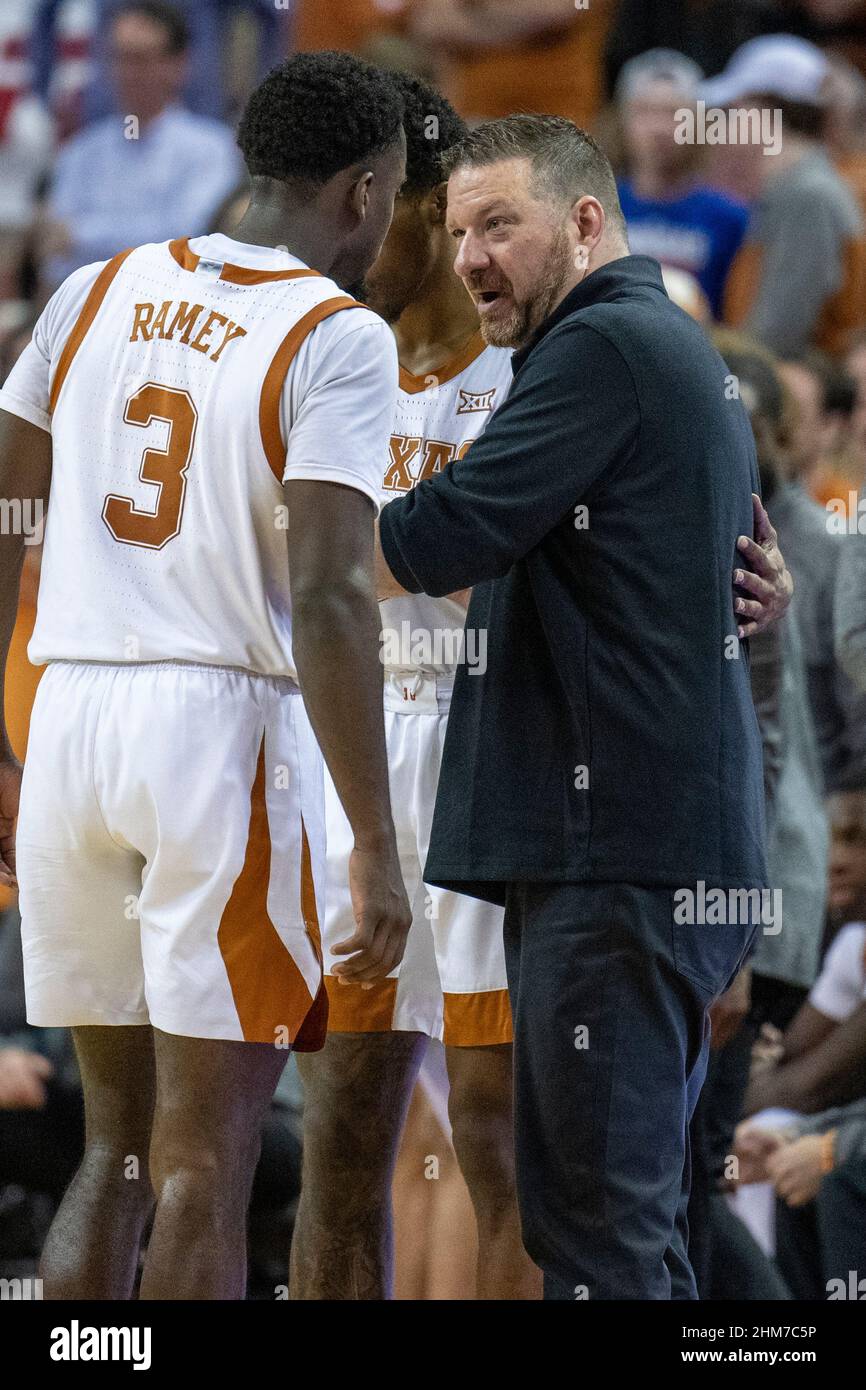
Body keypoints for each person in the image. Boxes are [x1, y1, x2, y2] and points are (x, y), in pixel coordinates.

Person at [0, 50, 411, 1301]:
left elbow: (5, 515)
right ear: (358, 190)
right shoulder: (336, 336)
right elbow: (337, 595)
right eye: (392, 190)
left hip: (69, 716)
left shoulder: (89, 288)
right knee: (202, 1166)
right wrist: (377, 842)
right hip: (215, 730)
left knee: (112, 1149)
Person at [375, 112, 793, 1299]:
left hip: (619, 855)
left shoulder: (601, 349)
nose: (468, 259)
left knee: (602, 1236)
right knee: (613, 1228)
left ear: (585, 220)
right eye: (457, 230)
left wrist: (248, 539)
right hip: (632, 851)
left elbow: (430, 534)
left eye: (497, 225)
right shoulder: (650, 346)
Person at [289, 74, 538, 1302]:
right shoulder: (335, 365)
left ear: (437, 206)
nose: (348, 234)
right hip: (353, 756)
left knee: (502, 1146)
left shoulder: (537, 364)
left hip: (489, 746)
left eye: (376, 205)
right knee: (338, 1152)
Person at [39, 1, 244, 290]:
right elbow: (54, 254)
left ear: (178, 63)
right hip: (85, 308)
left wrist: (82, 238)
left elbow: (187, 244)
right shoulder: (81, 152)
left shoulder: (211, 149)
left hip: (169, 311)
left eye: (142, 58)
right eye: (121, 58)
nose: (130, 73)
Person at [713, 35, 866, 357]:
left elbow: (775, 338)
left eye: (731, 110)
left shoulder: (807, 196)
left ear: (762, 112)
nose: (722, 127)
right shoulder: (791, 191)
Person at [614, 49, 749, 320]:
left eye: (674, 114)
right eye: (645, 112)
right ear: (623, 119)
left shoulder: (731, 218)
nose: (659, 128)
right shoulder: (597, 208)